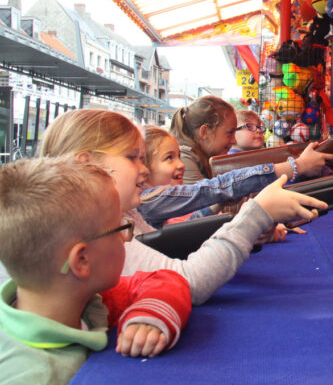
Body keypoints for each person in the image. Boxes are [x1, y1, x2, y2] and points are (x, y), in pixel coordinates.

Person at [37, 108, 327, 305]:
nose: (143, 170)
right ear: (87, 165)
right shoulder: (100, 234)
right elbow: (188, 282)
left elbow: (170, 246)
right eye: (132, 158)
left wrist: (247, 229)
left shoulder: (124, 215)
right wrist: (255, 215)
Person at [0, 158, 191, 384]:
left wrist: (149, 315)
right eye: (120, 227)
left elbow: (165, 280)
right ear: (82, 260)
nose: (125, 238)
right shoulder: (37, 376)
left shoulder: (90, 302)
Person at [140, 125, 291, 241]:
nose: (181, 164)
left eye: (179, 156)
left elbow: (182, 232)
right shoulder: (148, 201)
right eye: (169, 158)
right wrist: (293, 167)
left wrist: (216, 206)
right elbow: (215, 188)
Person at [169, 95, 333, 184]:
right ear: (205, 132)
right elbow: (209, 196)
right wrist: (297, 166)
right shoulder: (184, 158)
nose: (233, 140)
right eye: (229, 133)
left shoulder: (200, 156)